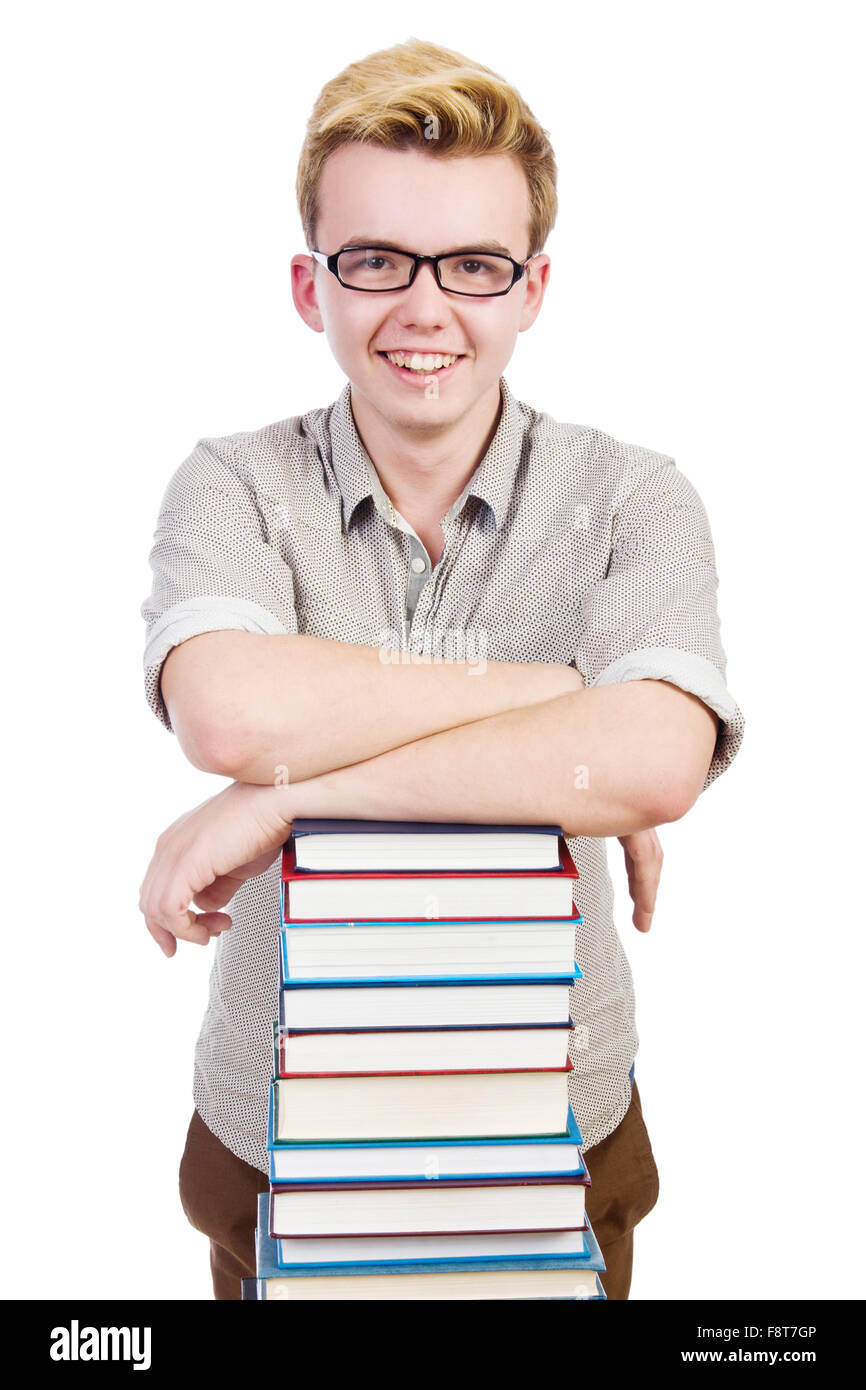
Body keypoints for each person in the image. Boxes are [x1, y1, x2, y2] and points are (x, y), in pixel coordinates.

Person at [138, 37, 745, 1301]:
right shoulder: (233, 484)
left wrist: (289, 792)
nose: (424, 310)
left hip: (558, 1128)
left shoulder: (634, 497)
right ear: (311, 286)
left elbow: (656, 760)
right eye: (376, 261)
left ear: (532, 288)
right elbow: (227, 708)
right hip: (275, 1135)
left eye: (472, 266)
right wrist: (559, 696)